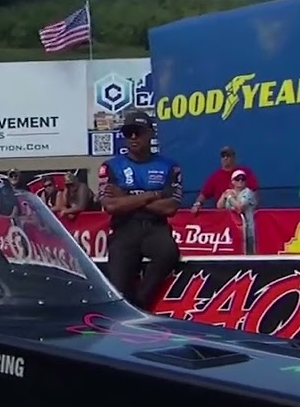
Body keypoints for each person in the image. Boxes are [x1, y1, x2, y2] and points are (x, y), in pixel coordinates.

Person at [98, 111, 182, 310]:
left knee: (168, 253)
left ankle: (140, 305)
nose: (133, 137)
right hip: (124, 227)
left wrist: (127, 196)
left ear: (150, 134)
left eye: (138, 132)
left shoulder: (169, 166)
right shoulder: (111, 166)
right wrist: (152, 195)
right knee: (118, 285)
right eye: (129, 133)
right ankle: (128, 310)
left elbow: (170, 208)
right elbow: (111, 206)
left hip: (155, 227)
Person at [191, 145, 258, 214]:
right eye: (223, 156)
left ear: (234, 157)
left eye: (228, 156)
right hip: (224, 215)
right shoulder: (215, 176)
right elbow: (203, 195)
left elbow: (254, 193)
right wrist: (197, 204)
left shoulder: (245, 172)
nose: (225, 158)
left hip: (245, 212)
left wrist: (252, 207)